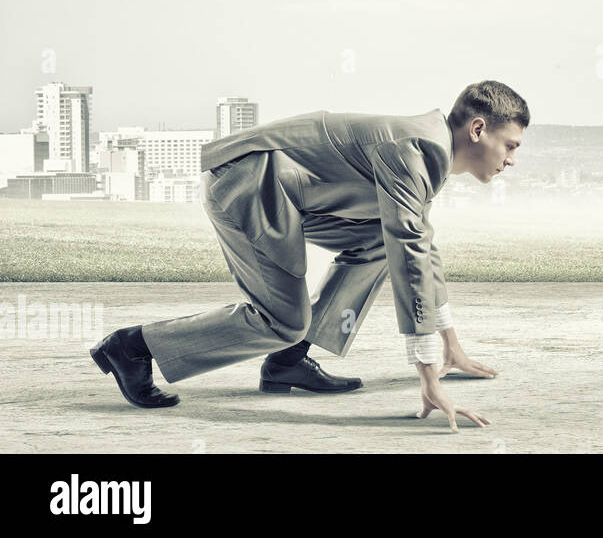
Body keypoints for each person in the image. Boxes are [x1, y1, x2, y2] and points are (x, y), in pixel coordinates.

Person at [89, 80, 528, 432]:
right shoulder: (418, 149)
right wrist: (429, 376)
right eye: (510, 146)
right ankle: (133, 347)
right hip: (248, 185)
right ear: (477, 129)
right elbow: (412, 255)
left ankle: (288, 362)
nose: (511, 160)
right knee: (282, 319)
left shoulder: (428, 151)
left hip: (290, 196)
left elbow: (419, 247)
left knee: (380, 242)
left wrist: (452, 347)